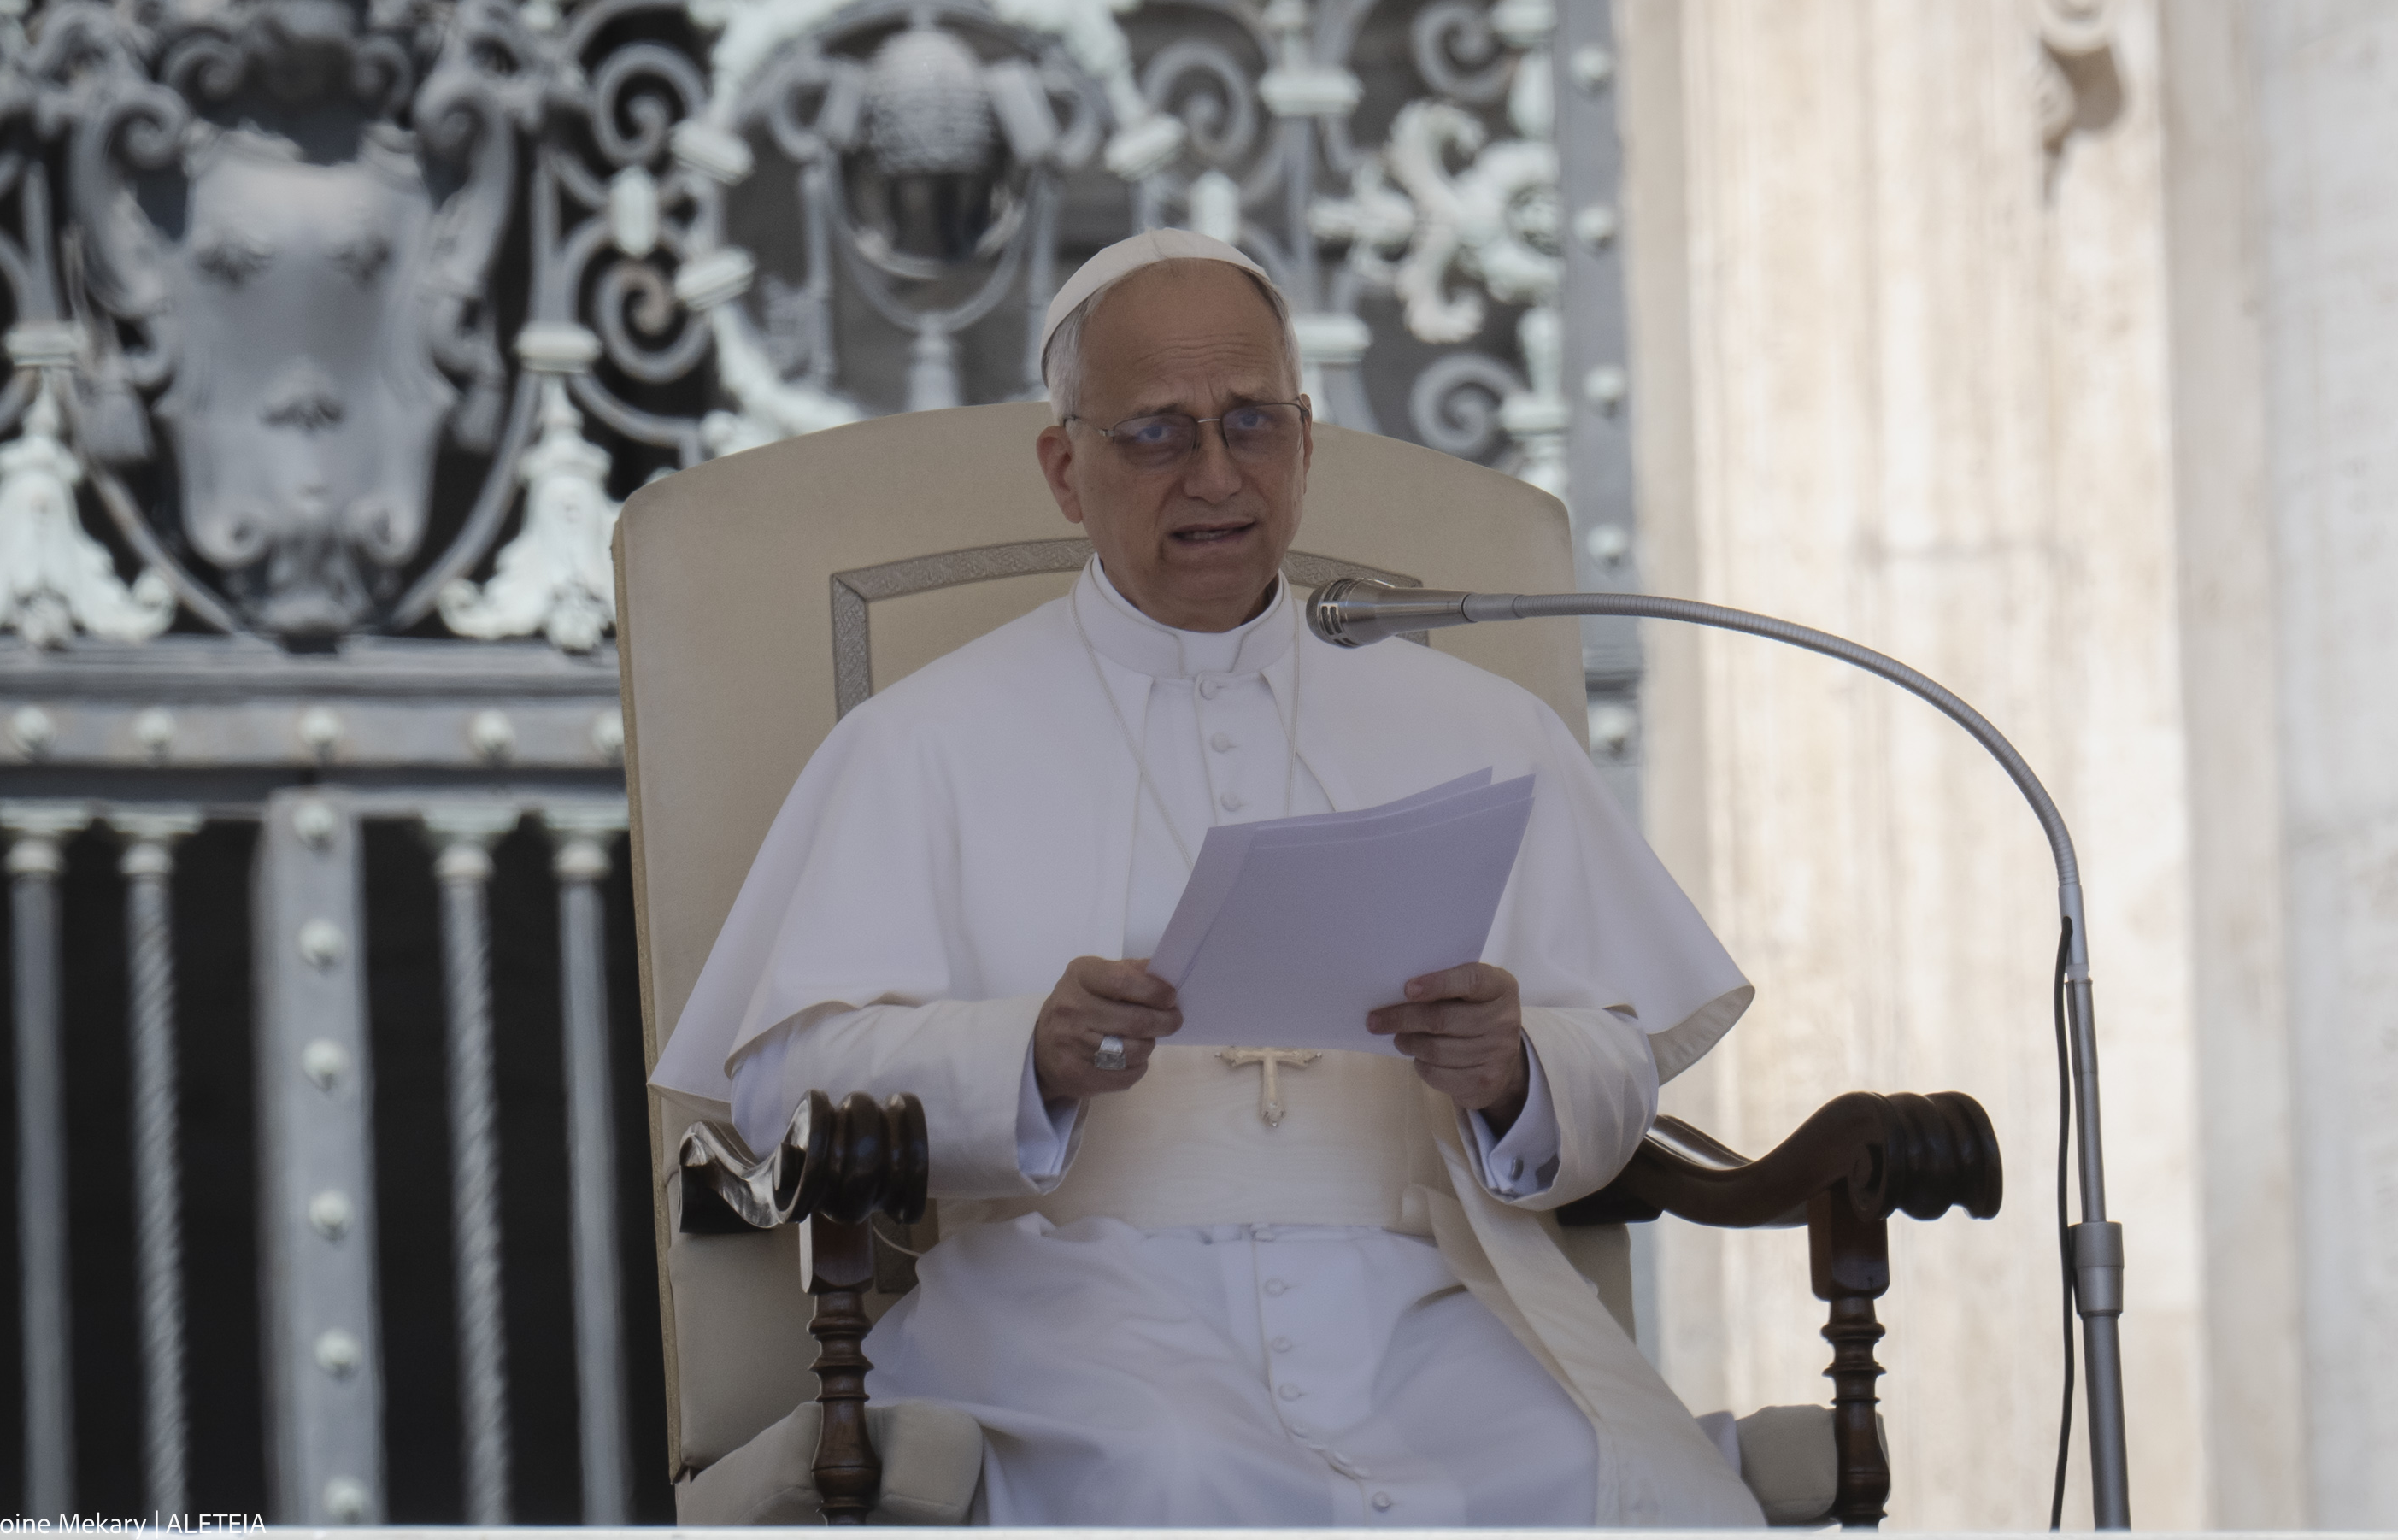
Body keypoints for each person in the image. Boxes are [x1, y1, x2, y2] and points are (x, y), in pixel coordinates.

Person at [652, 229, 1765, 1526]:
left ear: (1307, 441)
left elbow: (1621, 1057)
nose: (1217, 474)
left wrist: (1515, 1071)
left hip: (1422, 1298)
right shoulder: (923, 741)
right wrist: (1027, 1055)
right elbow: (788, 1081)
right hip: (1067, 1304)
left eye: (1252, 423)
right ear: (1066, 468)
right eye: (1158, 434)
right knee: (1179, 1477)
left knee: (1601, 1486)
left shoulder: (1473, 723)